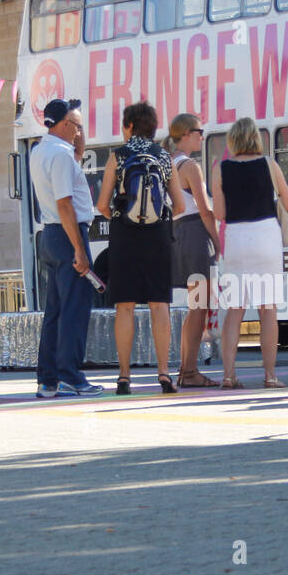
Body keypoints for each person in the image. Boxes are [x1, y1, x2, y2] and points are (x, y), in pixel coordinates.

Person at [96, 101, 185, 395]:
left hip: (125, 236)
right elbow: (180, 205)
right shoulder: (164, 157)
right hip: (158, 237)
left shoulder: (118, 157)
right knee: (160, 306)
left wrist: (121, 217)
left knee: (125, 307)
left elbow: (101, 204)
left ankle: (124, 376)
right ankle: (163, 373)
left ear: (130, 126)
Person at [211, 116, 288, 389]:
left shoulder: (220, 168)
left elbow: (220, 214)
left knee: (235, 310)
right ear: (256, 139)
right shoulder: (269, 165)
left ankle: (228, 375)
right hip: (266, 237)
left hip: (236, 238)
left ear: (233, 140)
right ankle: (270, 375)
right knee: (267, 310)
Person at [30, 98, 103, 398]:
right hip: (68, 233)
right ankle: (71, 375)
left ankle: (48, 379)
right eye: (76, 125)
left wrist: (79, 136)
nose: (79, 131)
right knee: (74, 310)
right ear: (63, 124)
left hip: (52, 235)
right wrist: (80, 250)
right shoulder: (60, 156)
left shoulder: (40, 151)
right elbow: (65, 203)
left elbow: (76, 153)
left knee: (56, 311)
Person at [166, 112, 220, 387]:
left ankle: (187, 370)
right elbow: (205, 209)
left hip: (177, 234)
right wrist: (218, 241)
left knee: (194, 306)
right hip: (194, 234)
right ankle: (189, 371)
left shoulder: (168, 163)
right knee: (199, 306)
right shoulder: (190, 166)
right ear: (186, 134)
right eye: (199, 131)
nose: (202, 135)